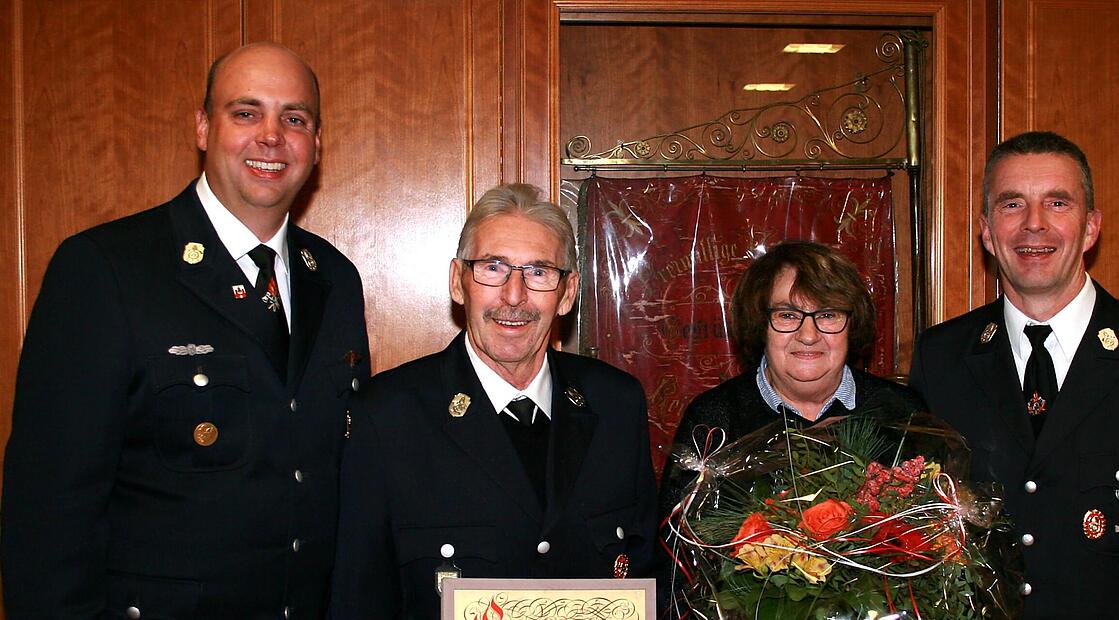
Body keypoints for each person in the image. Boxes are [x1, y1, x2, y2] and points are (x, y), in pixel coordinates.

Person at [1, 43, 370, 619]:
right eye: (245, 113)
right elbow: (49, 510)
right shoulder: (107, 269)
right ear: (203, 127)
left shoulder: (336, 280)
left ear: (317, 144)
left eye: (294, 119)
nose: (271, 136)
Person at [910, 131, 1119, 618]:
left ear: (1090, 228)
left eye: (1057, 203)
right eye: (1011, 204)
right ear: (985, 230)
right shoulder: (940, 359)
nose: (1033, 225)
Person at [329, 183, 659, 619]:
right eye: (493, 267)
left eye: (539, 272)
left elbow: (645, 572)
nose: (514, 296)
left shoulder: (616, 403)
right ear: (458, 282)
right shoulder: (388, 414)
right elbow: (359, 597)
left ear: (568, 293)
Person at [659, 240, 924, 523]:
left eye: (828, 315)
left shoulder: (902, 412)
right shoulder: (714, 420)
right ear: (760, 324)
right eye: (787, 315)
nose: (808, 335)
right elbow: (676, 548)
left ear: (852, 324)